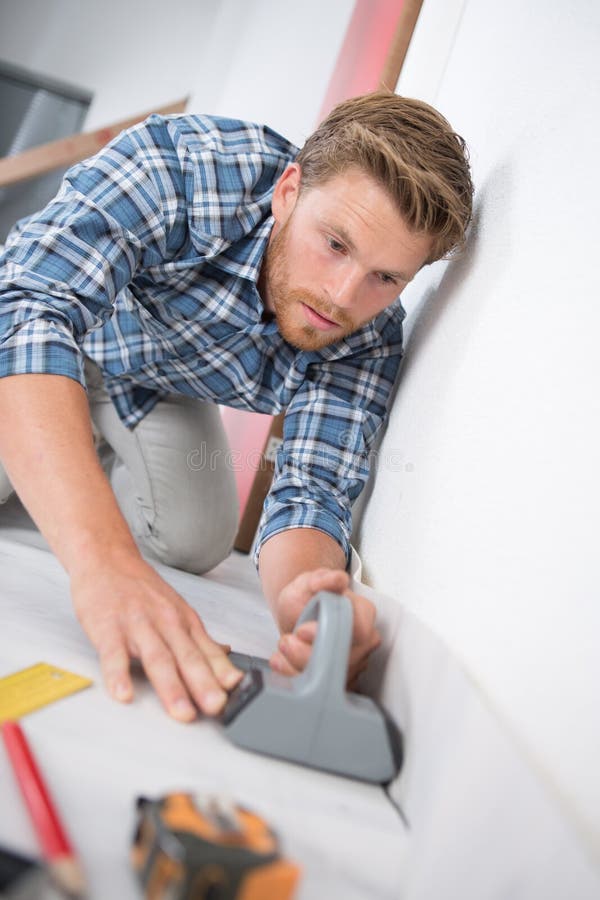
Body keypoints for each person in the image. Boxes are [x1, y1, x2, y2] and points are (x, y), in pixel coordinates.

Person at [0, 91, 473, 722]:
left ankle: (63, 451)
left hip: (150, 384)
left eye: (386, 278)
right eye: (335, 244)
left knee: (196, 542)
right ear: (288, 192)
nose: (341, 296)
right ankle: (49, 445)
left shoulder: (368, 338)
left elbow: (311, 492)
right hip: (65, 335)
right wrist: (104, 565)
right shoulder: (182, 169)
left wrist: (306, 605)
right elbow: (29, 312)